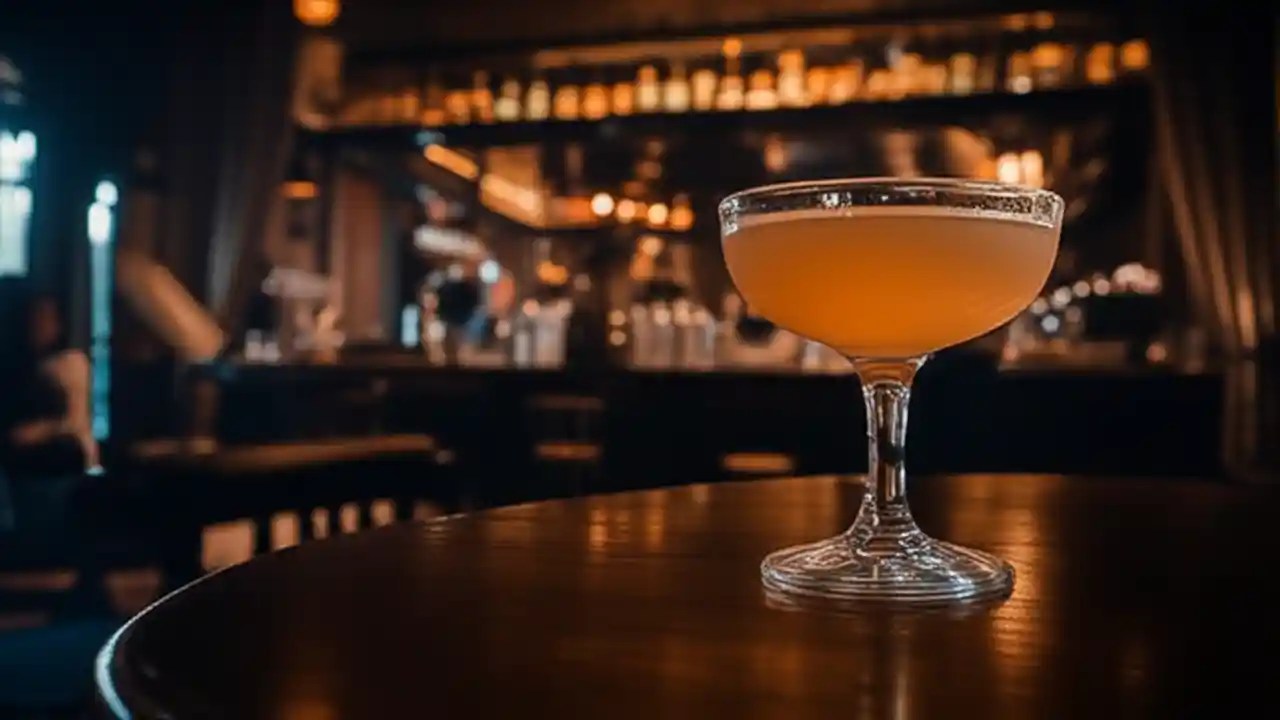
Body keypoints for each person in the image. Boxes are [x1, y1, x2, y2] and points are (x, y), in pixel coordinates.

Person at [0, 294, 97, 477]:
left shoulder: (71, 363)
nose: (39, 326)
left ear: (59, 324)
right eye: (35, 319)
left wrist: (41, 431)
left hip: (65, 462)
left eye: (46, 319)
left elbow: (75, 423)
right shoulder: (16, 368)